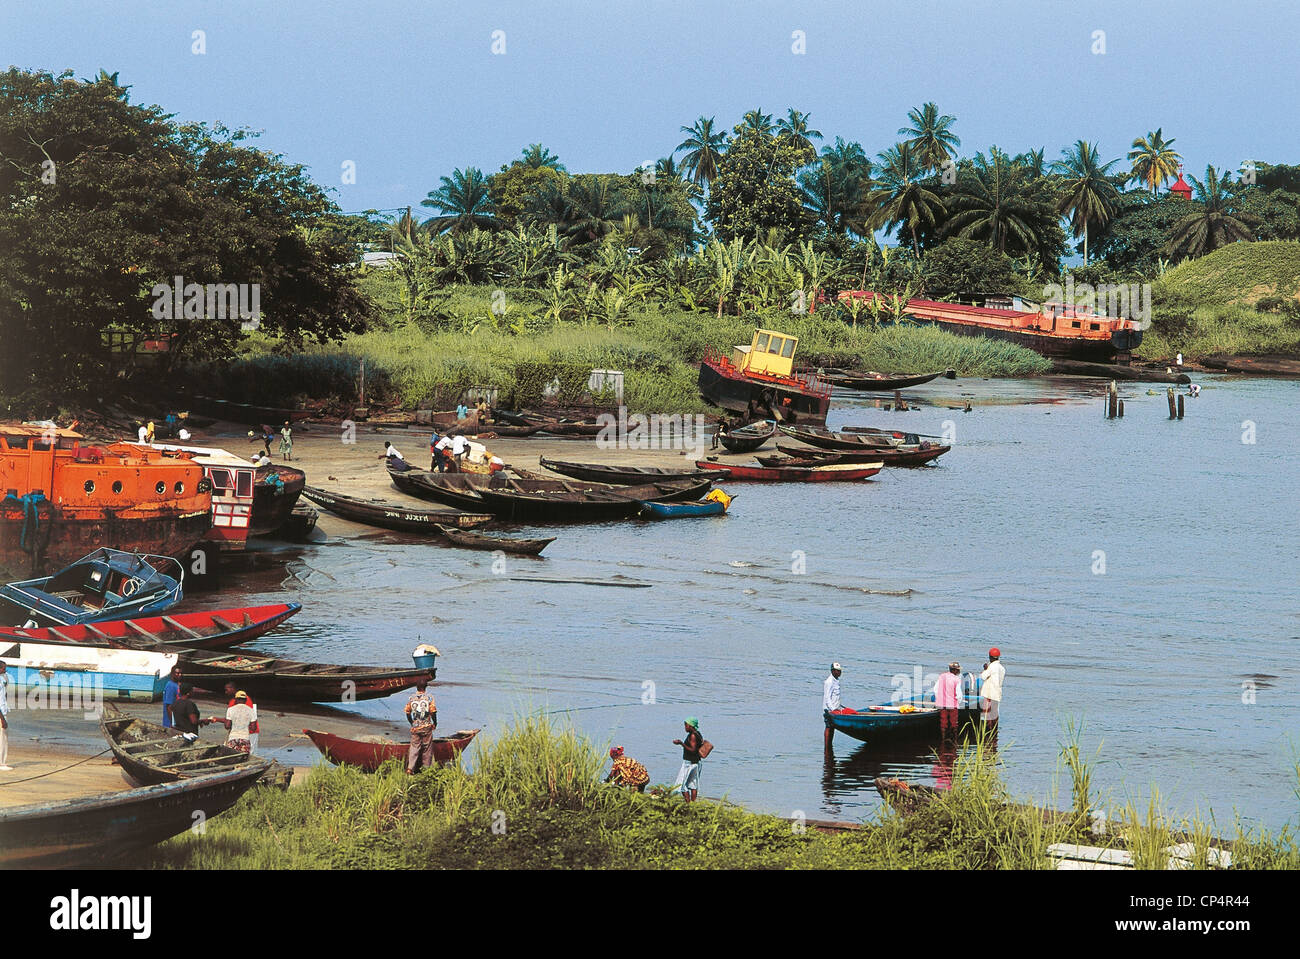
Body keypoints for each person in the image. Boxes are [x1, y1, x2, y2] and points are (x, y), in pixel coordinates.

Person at [403, 680, 437, 774]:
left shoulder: (411, 698)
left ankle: (410, 768)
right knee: (427, 748)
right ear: (426, 687)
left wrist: (412, 723)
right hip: (426, 726)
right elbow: (433, 711)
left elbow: (407, 712)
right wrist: (435, 723)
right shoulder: (429, 697)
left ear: (416, 687)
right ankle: (426, 769)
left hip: (416, 727)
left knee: (414, 747)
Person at [671, 717, 704, 802]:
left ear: (691, 726)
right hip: (696, 762)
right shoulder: (698, 734)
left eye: (686, 725)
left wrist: (681, 743)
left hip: (690, 764)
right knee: (693, 785)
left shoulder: (692, 736)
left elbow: (693, 750)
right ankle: (693, 805)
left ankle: (688, 804)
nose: (685, 727)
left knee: (681, 786)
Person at [223, 682, 258, 752]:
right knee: (245, 757)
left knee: (232, 756)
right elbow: (254, 728)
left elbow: (227, 726)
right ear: (245, 700)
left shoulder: (230, 709)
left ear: (236, 699)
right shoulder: (251, 710)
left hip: (233, 738)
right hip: (245, 738)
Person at [934, 662, 963, 741]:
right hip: (952, 705)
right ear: (955, 670)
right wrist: (959, 702)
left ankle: (943, 739)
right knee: (954, 723)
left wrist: (939, 699)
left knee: (943, 722)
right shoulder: (957, 679)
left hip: (942, 704)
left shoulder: (942, 676)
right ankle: (954, 739)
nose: (959, 672)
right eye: (958, 670)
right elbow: (958, 694)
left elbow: (936, 690)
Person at [980, 648, 1006, 734]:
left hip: (988, 693)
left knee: (987, 715)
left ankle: (987, 733)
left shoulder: (991, 666)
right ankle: (994, 733)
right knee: (995, 714)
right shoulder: (1002, 668)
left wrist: (985, 669)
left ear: (990, 657)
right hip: (997, 693)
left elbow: (983, 677)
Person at [823, 662, 843, 749]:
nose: (839, 673)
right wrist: (832, 710)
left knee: (832, 728)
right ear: (832, 671)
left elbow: (835, 697)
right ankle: (827, 747)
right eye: (837, 671)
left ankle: (829, 745)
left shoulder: (836, 681)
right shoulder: (829, 682)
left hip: (835, 709)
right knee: (828, 727)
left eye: (840, 671)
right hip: (830, 710)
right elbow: (827, 698)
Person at [0, 661, 10, 771]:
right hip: (1, 714)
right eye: (3, 668)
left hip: (3, 711)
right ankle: (1, 763)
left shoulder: (2, 679)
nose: (5, 670)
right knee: (3, 739)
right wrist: (2, 719)